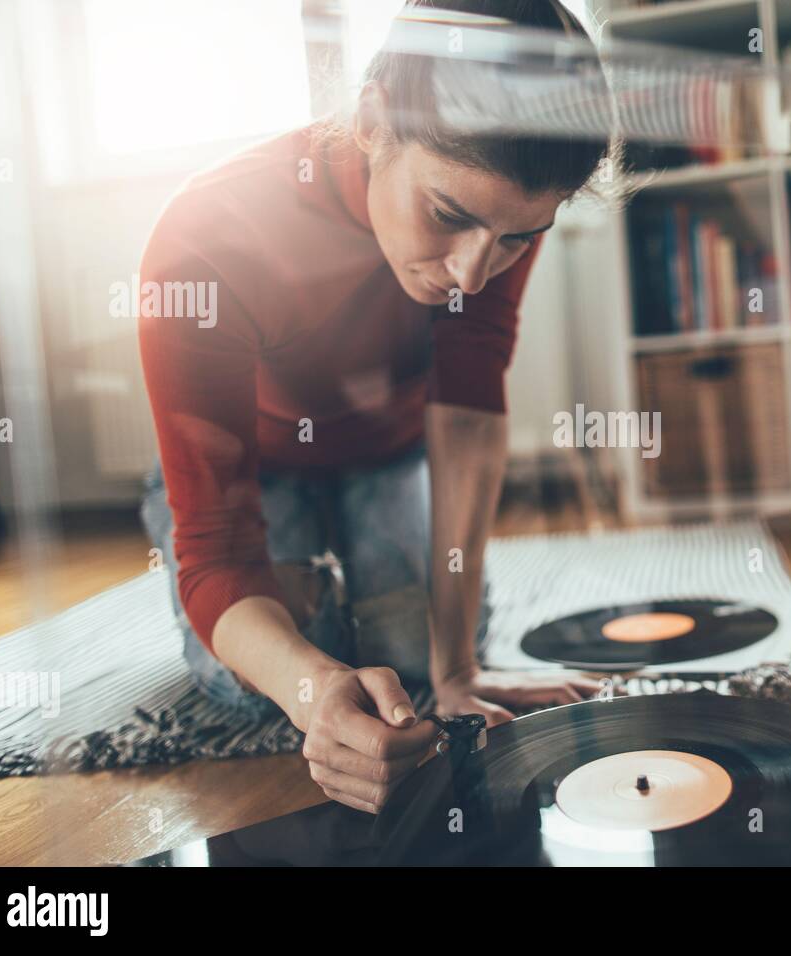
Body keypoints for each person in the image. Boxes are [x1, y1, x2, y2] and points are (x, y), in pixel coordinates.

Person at [138, 0, 616, 813]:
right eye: (449, 216)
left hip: (391, 450)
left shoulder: (493, 230)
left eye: (518, 239)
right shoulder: (202, 238)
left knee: (415, 663)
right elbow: (218, 550)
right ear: (371, 119)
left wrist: (458, 671)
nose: (473, 275)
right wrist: (311, 688)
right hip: (258, 467)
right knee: (262, 685)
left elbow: (466, 414)